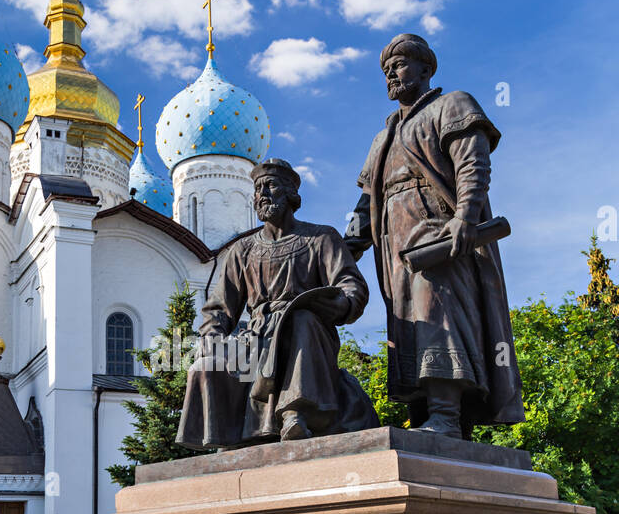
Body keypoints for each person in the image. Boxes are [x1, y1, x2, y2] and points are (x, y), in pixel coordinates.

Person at [344, 33, 524, 437]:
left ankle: (446, 414)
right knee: (409, 326)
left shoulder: (452, 105)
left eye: (401, 63)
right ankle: (427, 417)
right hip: (395, 251)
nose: (392, 73)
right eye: (386, 69)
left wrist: (464, 216)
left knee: (437, 316)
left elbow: (472, 165)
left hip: (440, 239)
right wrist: (341, 251)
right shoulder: (383, 137)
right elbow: (363, 206)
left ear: (427, 69)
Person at [177, 158, 378, 449]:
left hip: (307, 333)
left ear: (291, 195)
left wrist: (341, 304)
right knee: (209, 359)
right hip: (256, 337)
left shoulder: (320, 238)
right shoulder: (242, 250)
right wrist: (212, 336)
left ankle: (296, 414)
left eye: (270, 186)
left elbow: (351, 285)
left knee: (301, 320)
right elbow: (220, 308)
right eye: (257, 189)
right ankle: (221, 440)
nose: (262, 195)